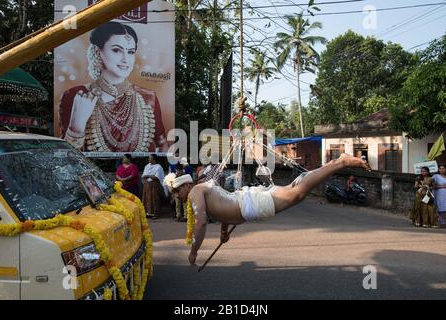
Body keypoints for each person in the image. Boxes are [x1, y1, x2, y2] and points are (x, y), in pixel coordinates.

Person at [164, 153, 371, 265]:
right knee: (293, 191)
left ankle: (339, 163)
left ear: (184, 186)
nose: (176, 197)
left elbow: (200, 223)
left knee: (296, 194)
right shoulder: (203, 188)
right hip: (245, 201)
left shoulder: (194, 193)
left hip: (248, 204)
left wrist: (193, 252)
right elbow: (223, 204)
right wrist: (224, 230)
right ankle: (335, 163)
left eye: (176, 192)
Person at [58, 21, 168, 153]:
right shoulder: (78, 95)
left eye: (131, 52)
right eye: (117, 50)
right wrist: (76, 127)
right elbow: (66, 155)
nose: (125, 59)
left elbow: (161, 145)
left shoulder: (147, 98)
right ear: (98, 51)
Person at [142, 154, 165, 219]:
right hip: (147, 185)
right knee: (146, 199)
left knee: (154, 199)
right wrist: (149, 176)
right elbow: (143, 176)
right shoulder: (147, 166)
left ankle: (155, 214)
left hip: (154, 185)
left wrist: (148, 175)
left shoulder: (158, 167)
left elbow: (156, 177)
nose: (148, 159)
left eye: (150, 158)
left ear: (154, 159)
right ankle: (148, 213)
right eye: (149, 158)